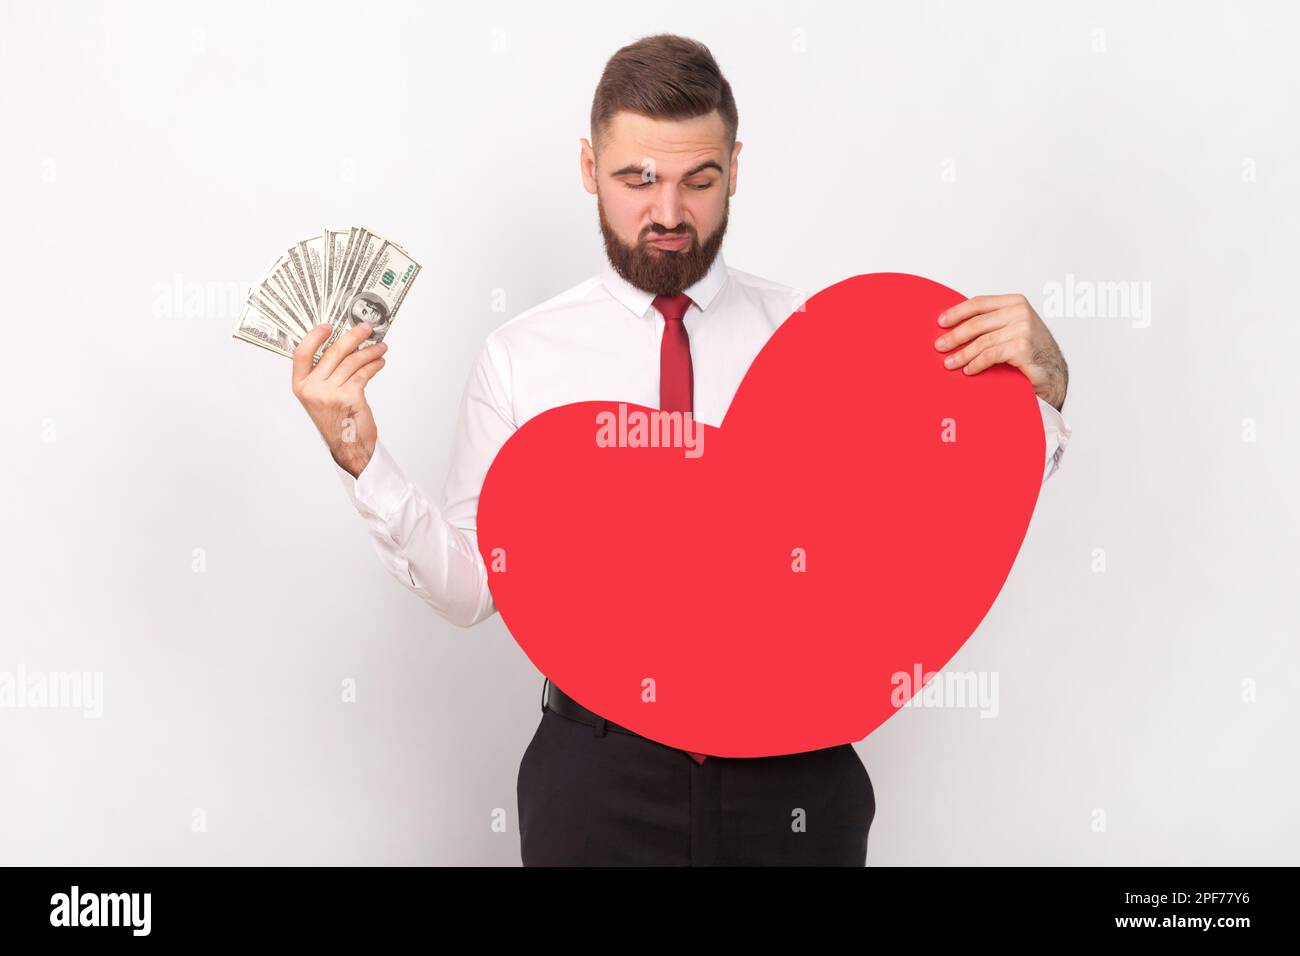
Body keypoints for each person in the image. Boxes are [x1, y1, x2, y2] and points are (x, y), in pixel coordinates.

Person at [290, 33, 1072, 866]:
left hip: (797, 775)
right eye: (638, 180)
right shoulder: (522, 357)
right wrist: (361, 457)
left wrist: (1043, 394)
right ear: (590, 168)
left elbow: (948, 504)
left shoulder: (814, 341)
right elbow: (471, 590)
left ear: (734, 166)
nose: (669, 213)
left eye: (698, 180)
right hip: (599, 776)